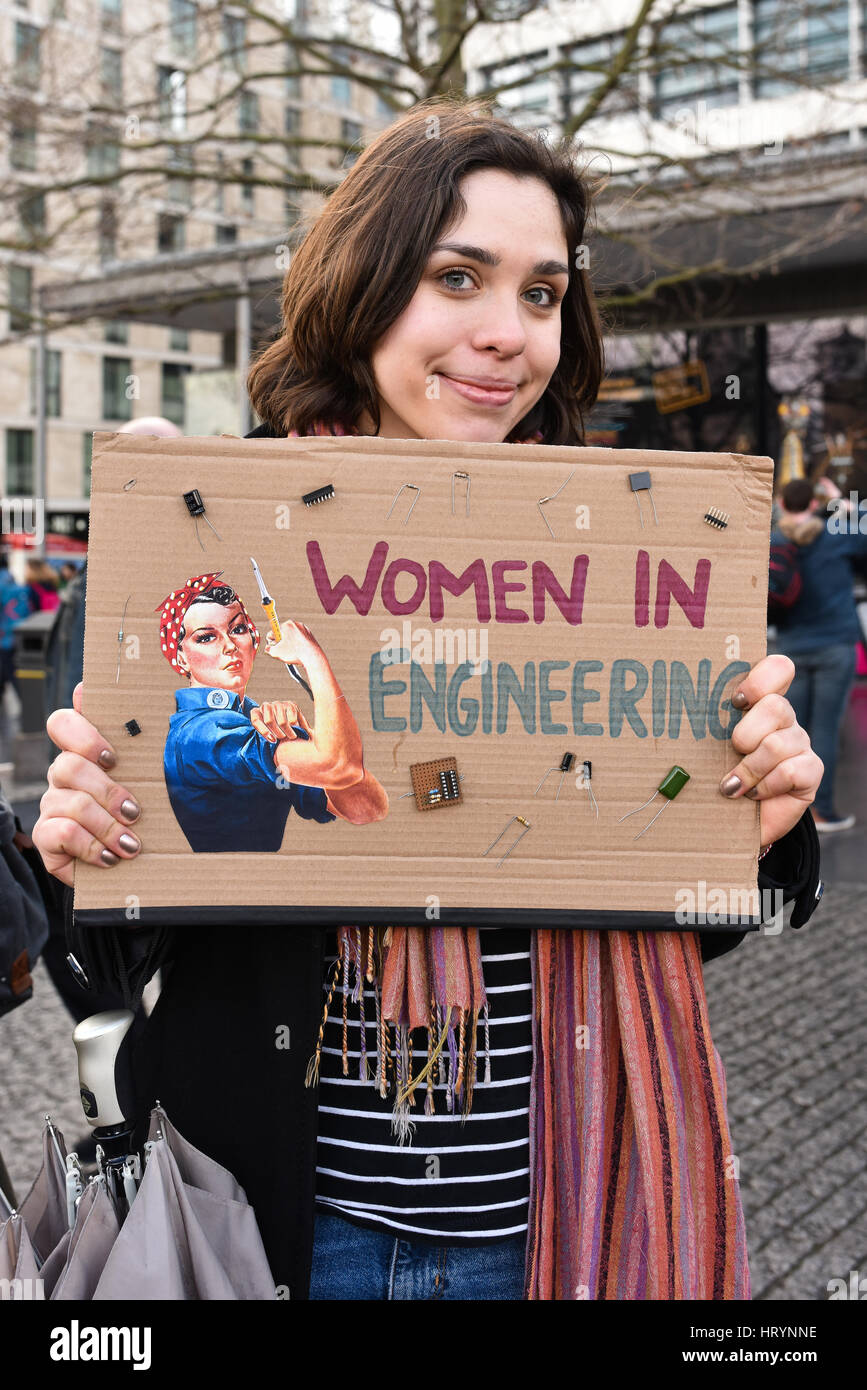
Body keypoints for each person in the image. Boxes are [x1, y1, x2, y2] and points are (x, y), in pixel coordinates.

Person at [31, 97, 824, 1301]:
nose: (507, 333)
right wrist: (88, 833)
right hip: (291, 1228)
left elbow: (684, 909)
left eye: (543, 293)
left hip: (556, 1224)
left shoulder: (629, 559)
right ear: (365, 286)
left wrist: (758, 825)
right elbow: (133, 925)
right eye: (458, 277)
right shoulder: (203, 554)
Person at [157, 571, 387, 851]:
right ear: (180, 656)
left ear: (253, 640)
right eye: (206, 637)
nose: (229, 646)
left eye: (237, 629)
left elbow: (367, 808)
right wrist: (312, 657)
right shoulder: (201, 733)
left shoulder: (251, 720)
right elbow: (341, 766)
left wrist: (313, 739)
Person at [768, 477, 867, 832]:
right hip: (834, 647)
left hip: (792, 649)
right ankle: (820, 811)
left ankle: (788, 814)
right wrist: (846, 504)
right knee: (824, 730)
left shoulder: (773, 540)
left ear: (781, 502)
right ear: (813, 503)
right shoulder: (836, 535)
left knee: (794, 731)